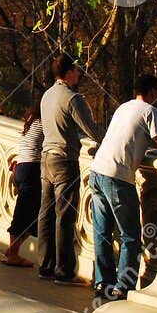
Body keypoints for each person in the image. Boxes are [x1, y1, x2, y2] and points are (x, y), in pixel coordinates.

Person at [89, 75, 157, 302]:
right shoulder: (150, 111)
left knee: (102, 232)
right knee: (131, 236)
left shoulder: (123, 107)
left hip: (97, 171)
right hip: (119, 177)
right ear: (153, 90)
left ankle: (102, 282)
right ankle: (122, 286)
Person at [37, 54, 102, 285]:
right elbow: (91, 129)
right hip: (65, 160)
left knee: (46, 213)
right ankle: (64, 271)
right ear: (68, 73)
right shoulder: (72, 99)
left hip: (46, 157)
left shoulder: (48, 95)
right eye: (76, 70)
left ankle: (45, 266)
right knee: (64, 216)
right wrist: (107, 140)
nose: (79, 74)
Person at [1, 102, 43, 267]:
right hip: (32, 170)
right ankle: (13, 254)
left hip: (21, 168)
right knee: (27, 215)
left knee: (26, 213)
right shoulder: (44, 123)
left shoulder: (31, 122)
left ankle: (13, 249)